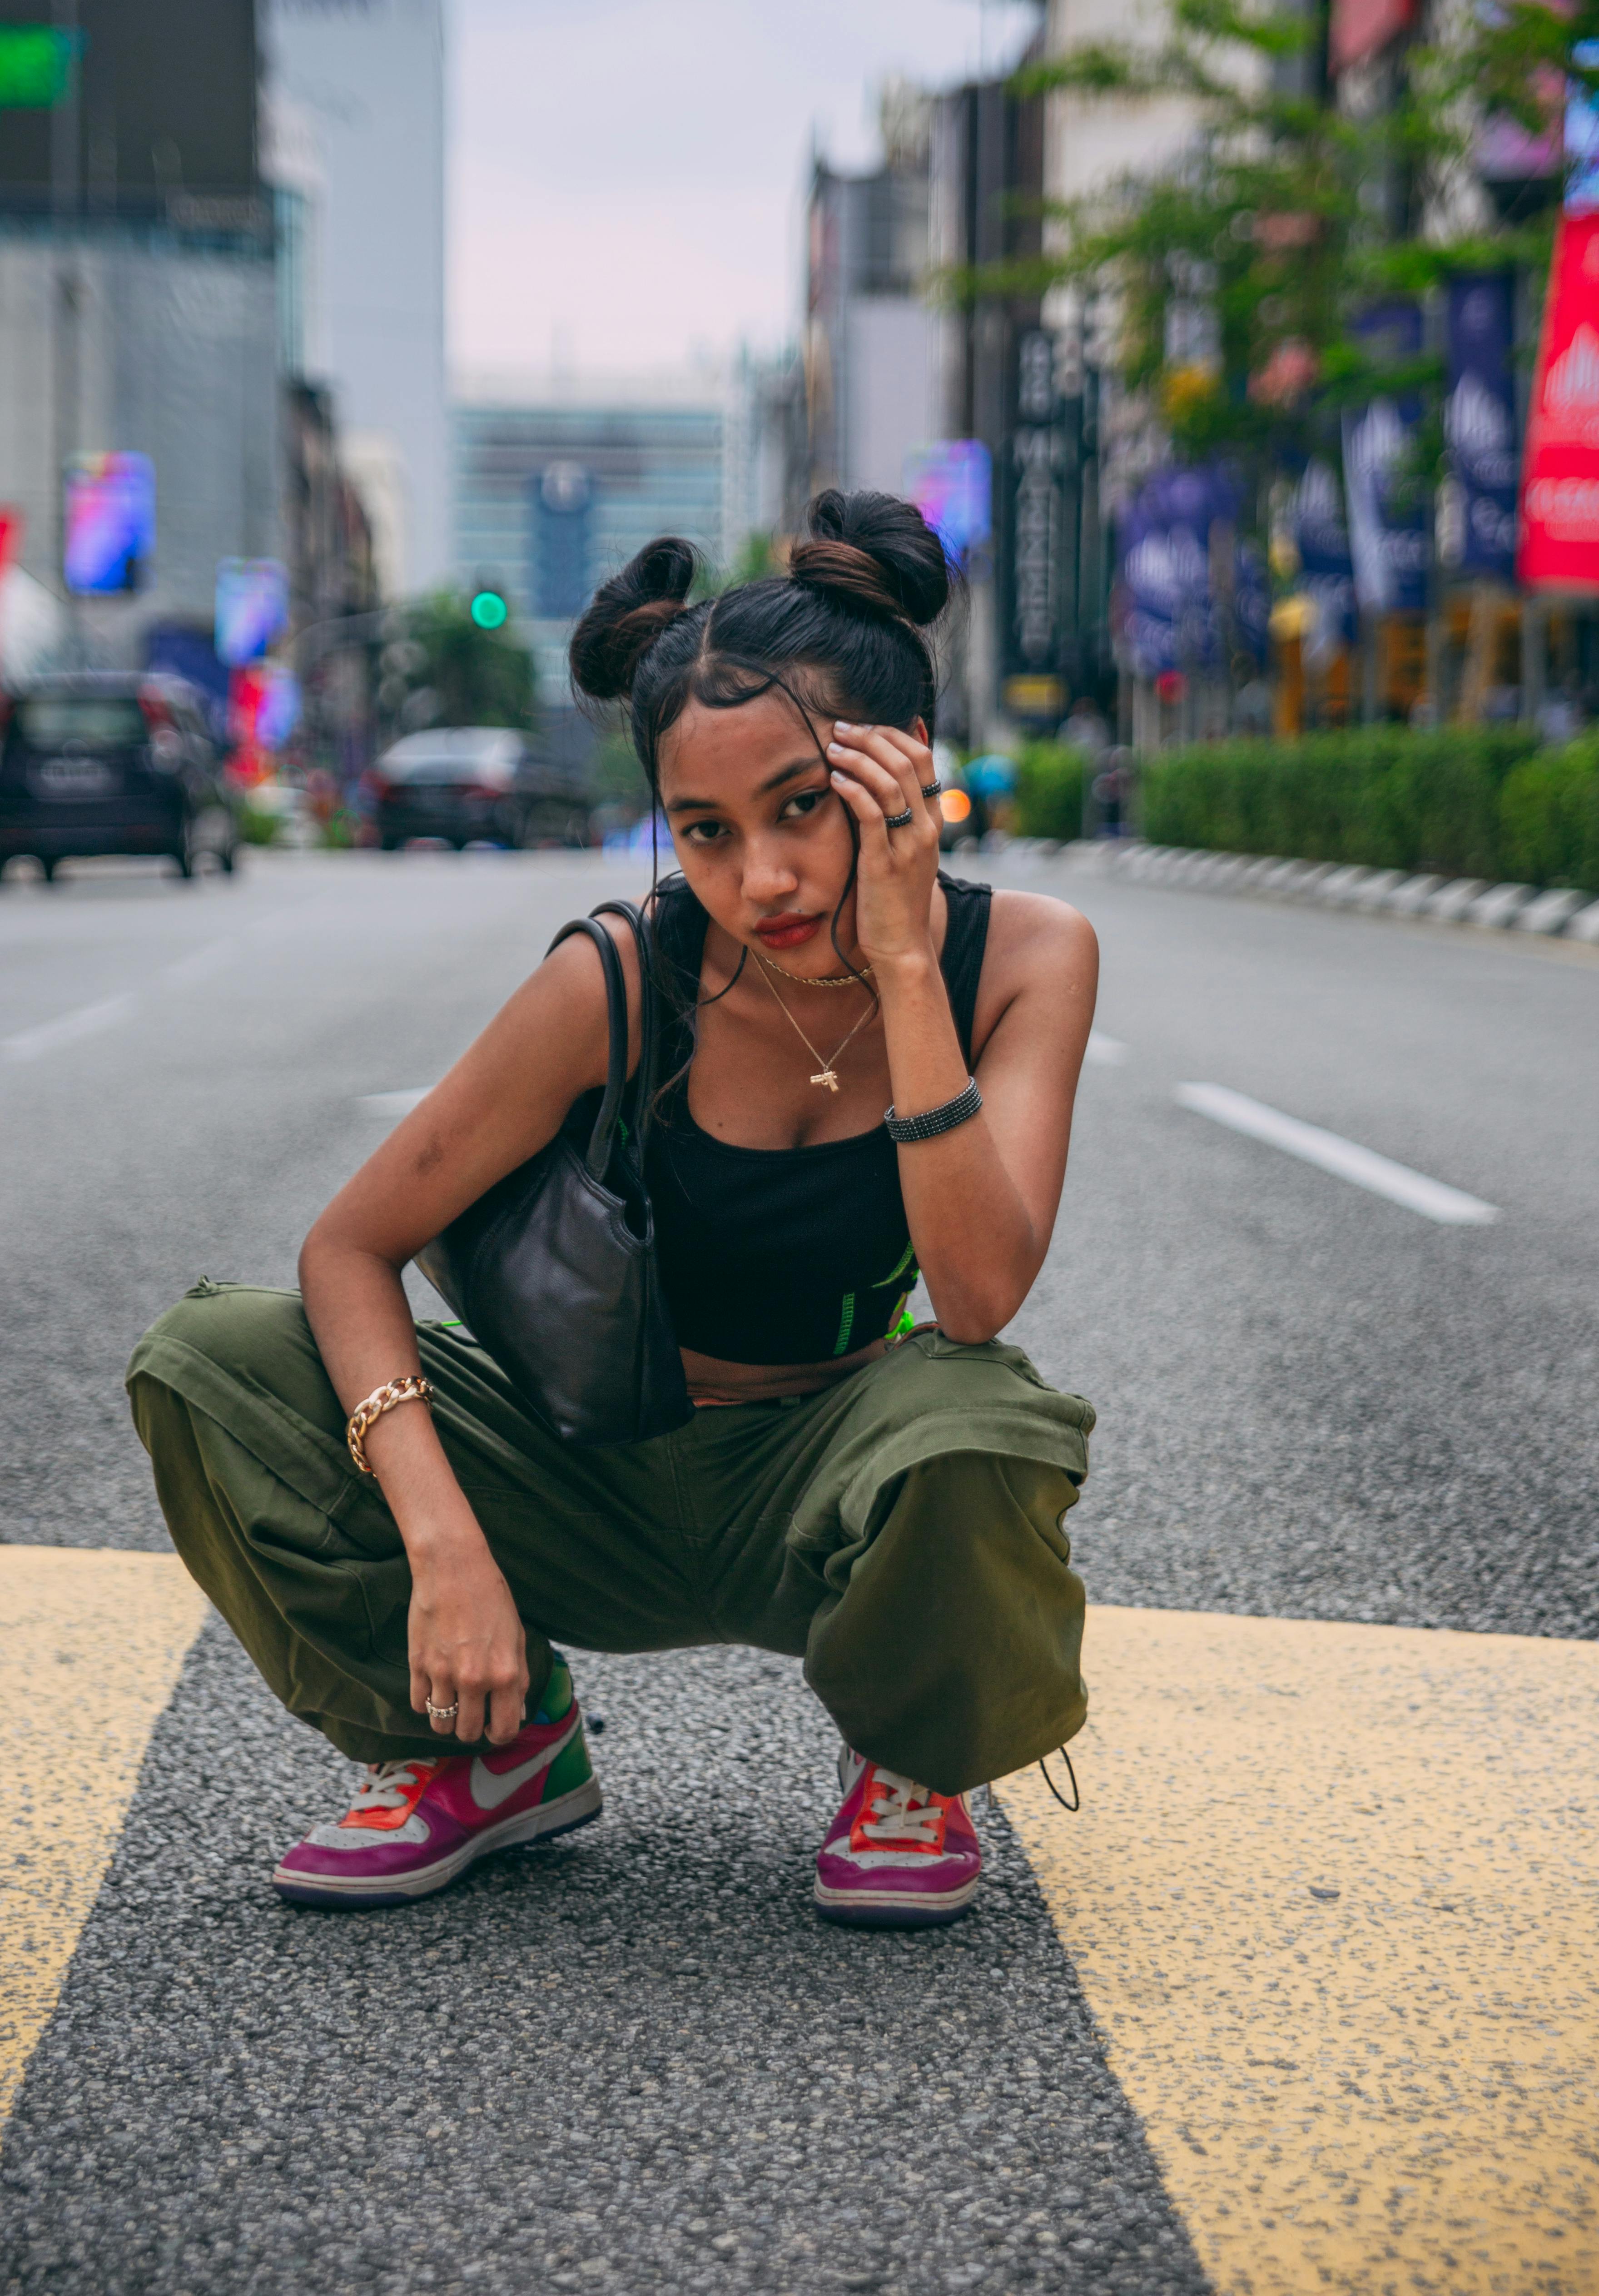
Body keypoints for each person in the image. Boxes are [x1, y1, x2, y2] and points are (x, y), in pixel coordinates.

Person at [127, 490, 1099, 1929]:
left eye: (802, 808)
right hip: (584, 1460)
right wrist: (444, 1543)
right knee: (209, 1362)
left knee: (981, 1420)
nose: (760, 879)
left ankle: (910, 1753)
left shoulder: (1022, 960)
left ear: (903, 767)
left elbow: (975, 1295)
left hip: (830, 1477)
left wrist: (904, 968)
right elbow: (349, 1248)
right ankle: (489, 1751)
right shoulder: (621, 978)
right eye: (704, 831)